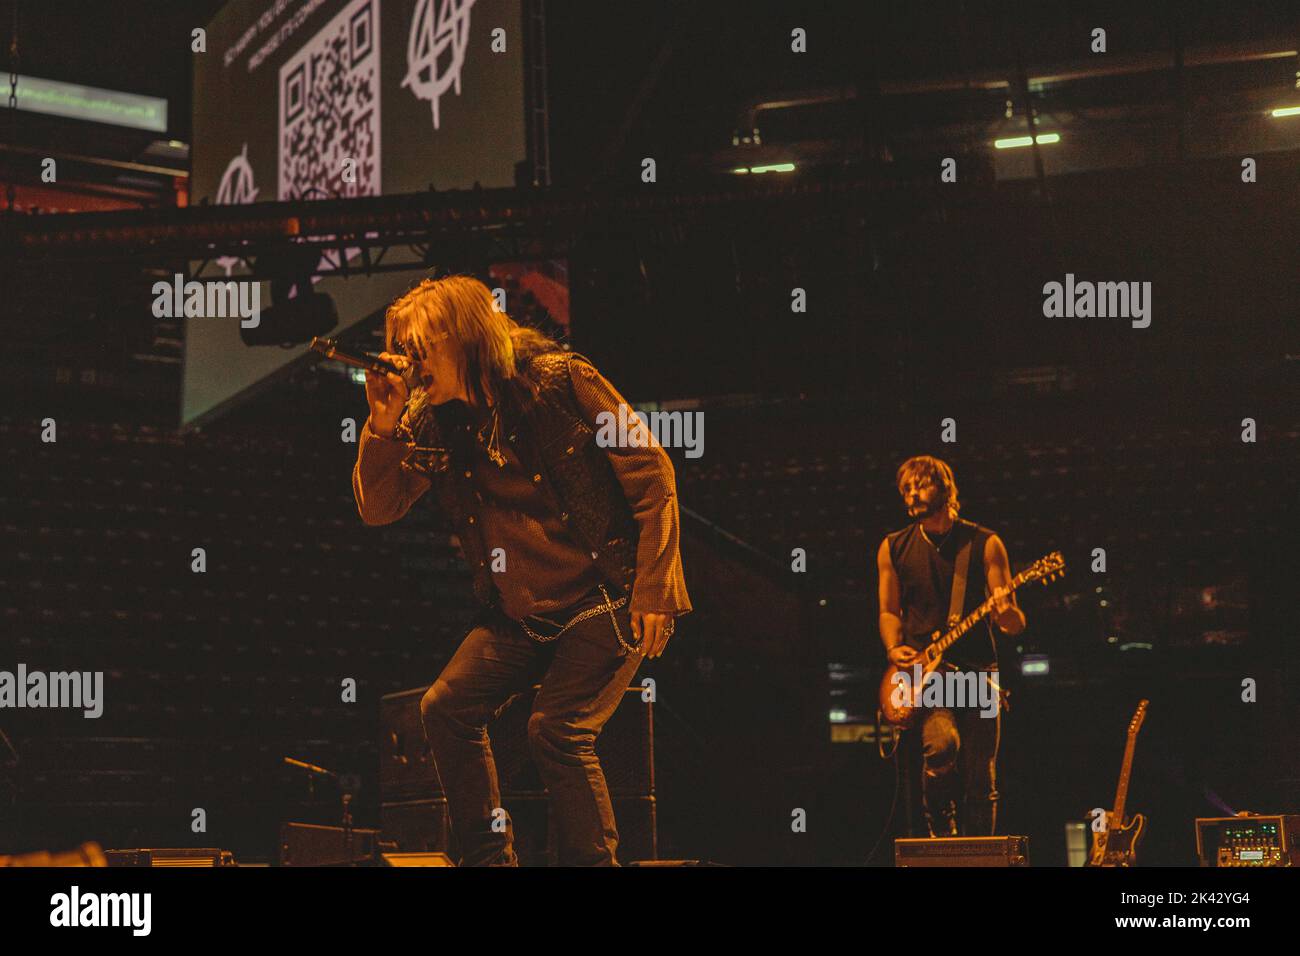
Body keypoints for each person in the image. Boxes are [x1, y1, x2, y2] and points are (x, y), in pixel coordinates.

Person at [353, 275, 691, 865]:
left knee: (555, 731)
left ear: (465, 336)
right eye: (402, 348)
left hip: (603, 598)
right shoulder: (430, 419)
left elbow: (652, 473)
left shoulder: (561, 380)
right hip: (520, 614)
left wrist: (657, 587)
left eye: (419, 346)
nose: (409, 362)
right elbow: (378, 507)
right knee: (444, 707)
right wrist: (382, 426)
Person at [876, 455, 1024, 836]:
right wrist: (894, 648)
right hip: (926, 676)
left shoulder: (985, 544)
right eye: (906, 488)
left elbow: (1013, 621)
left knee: (981, 778)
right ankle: (942, 837)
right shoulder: (892, 547)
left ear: (945, 488)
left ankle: (979, 855)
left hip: (977, 672)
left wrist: (1006, 613)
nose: (912, 494)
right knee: (941, 748)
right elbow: (889, 611)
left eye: (920, 485)